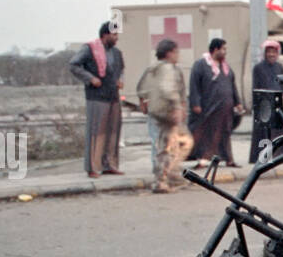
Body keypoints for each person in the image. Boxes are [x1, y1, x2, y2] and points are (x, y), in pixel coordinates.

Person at [68, 21, 126, 177]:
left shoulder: (117, 53)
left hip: (113, 96)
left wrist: (121, 80)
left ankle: (110, 165)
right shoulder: (89, 49)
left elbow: (121, 70)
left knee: (113, 132)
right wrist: (90, 78)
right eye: (114, 35)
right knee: (96, 132)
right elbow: (74, 65)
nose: (116, 38)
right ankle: (92, 167)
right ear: (105, 35)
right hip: (96, 96)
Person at [135, 38, 190, 193]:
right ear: (169, 53)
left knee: (162, 145)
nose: (178, 55)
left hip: (156, 111)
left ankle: (168, 175)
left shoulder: (152, 69)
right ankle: (162, 179)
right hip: (168, 113)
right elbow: (172, 91)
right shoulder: (170, 70)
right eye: (176, 52)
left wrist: (144, 103)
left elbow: (141, 88)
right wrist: (179, 108)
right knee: (170, 146)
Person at [189, 37, 244, 167]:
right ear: (215, 49)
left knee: (225, 134)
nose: (225, 52)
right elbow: (194, 86)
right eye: (223, 49)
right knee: (207, 136)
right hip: (209, 108)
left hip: (226, 109)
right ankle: (203, 161)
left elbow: (232, 85)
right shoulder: (201, 65)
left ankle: (229, 160)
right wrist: (195, 104)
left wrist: (238, 102)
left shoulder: (226, 67)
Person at [250, 39, 283, 165]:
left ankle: (280, 156)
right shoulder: (258, 68)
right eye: (269, 52)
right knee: (264, 132)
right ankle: (264, 156)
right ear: (265, 53)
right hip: (264, 105)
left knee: (279, 131)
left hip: (277, 104)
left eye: (274, 52)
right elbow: (256, 87)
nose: (271, 54)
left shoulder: (279, 67)